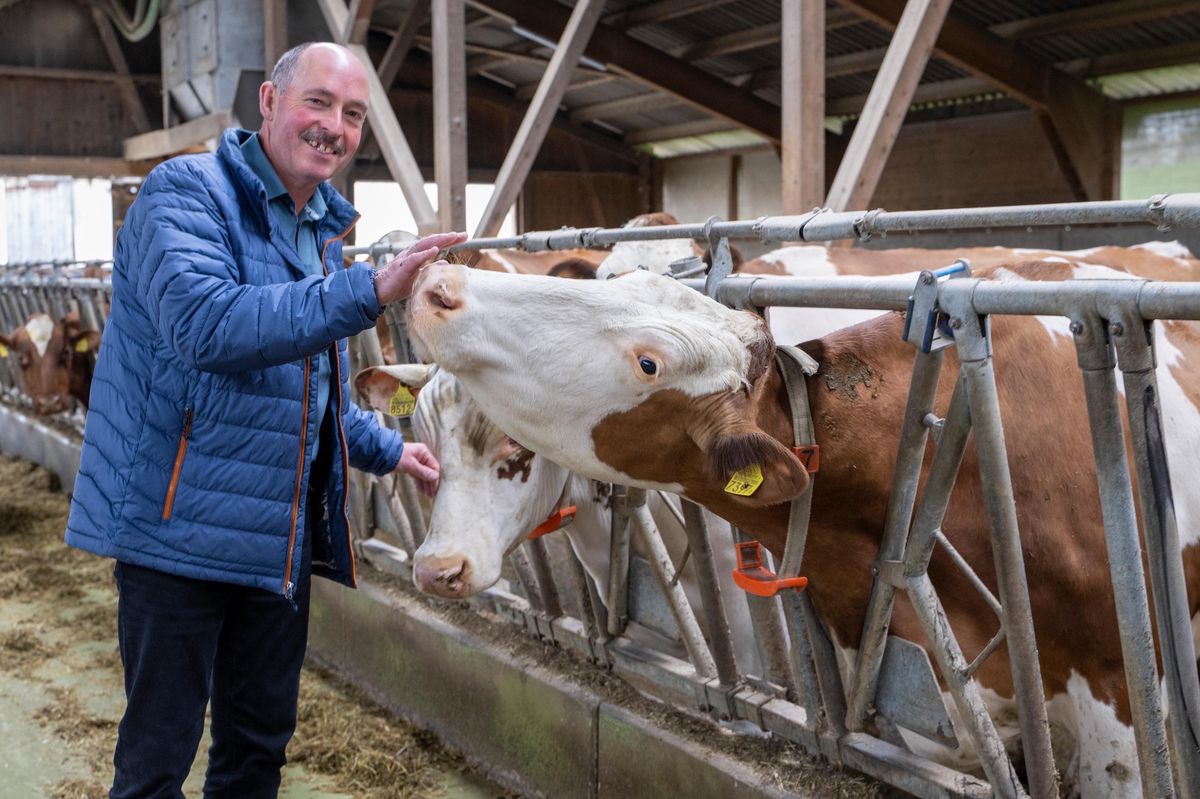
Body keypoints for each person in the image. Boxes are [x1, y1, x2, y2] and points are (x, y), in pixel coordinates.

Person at [63, 41, 466, 797]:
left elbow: (309, 382)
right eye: (318, 102)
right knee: (157, 756)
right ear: (270, 104)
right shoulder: (184, 192)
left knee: (257, 748)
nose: (334, 128)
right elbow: (210, 327)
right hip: (175, 529)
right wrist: (368, 288)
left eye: (352, 115)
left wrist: (387, 449)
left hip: (272, 540)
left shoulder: (317, 225)